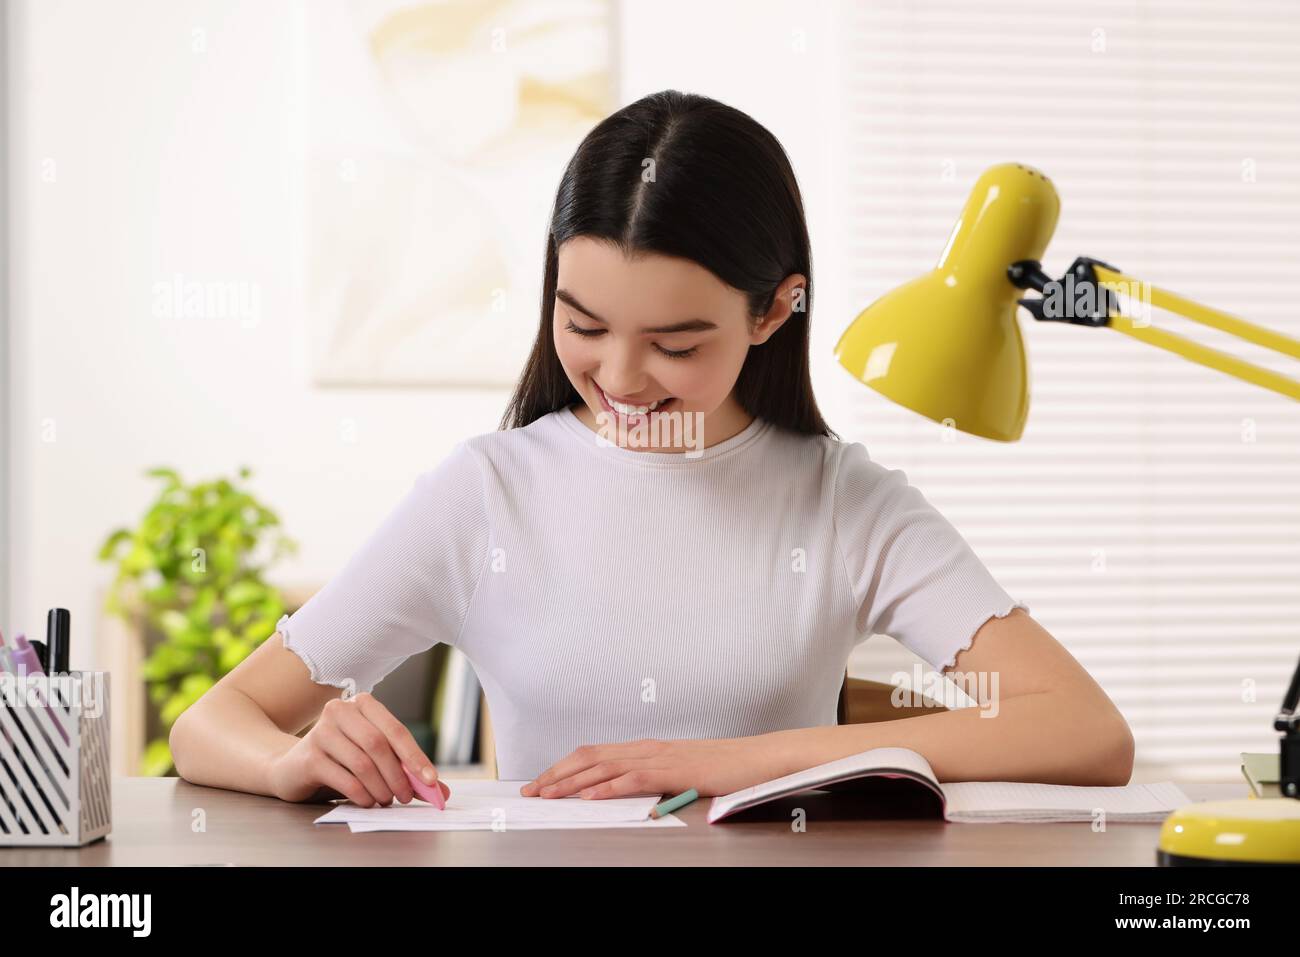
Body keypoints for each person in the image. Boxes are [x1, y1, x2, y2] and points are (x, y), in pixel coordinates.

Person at [170, 90, 1133, 809]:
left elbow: (1086, 731)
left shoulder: (844, 501)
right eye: (582, 323)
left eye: (675, 345)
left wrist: (734, 760)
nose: (623, 378)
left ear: (772, 310)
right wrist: (292, 760)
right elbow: (208, 725)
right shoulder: (487, 494)